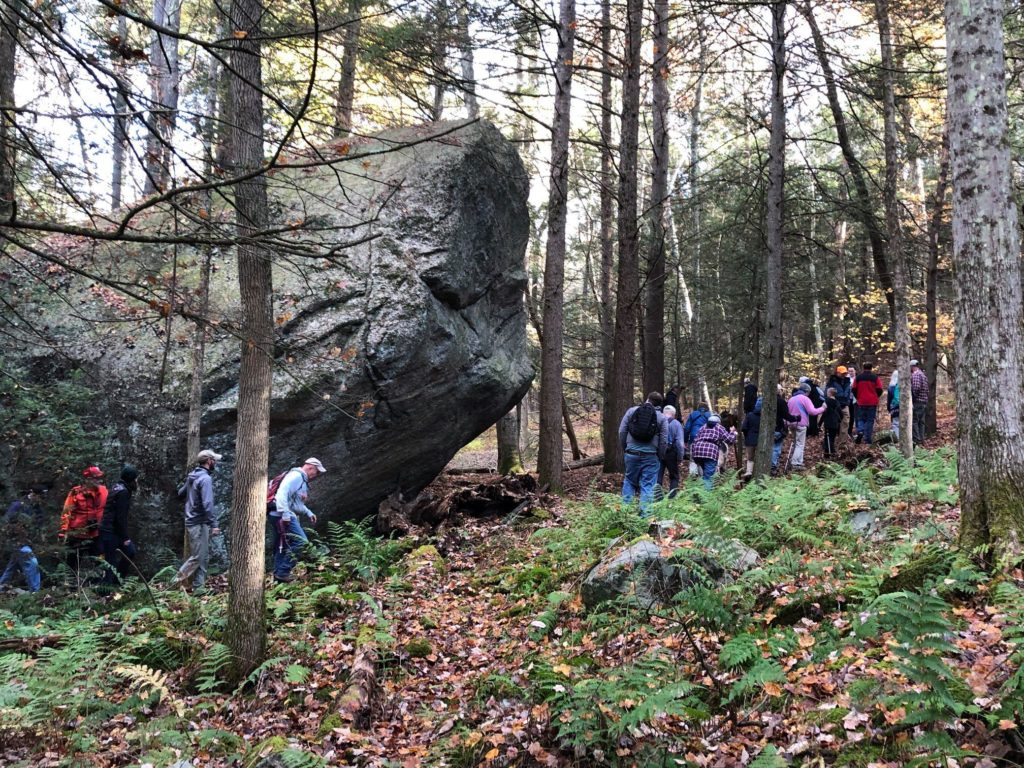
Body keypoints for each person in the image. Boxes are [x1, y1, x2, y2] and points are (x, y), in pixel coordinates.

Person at [270, 457, 327, 583]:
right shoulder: (296, 476)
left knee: (282, 544)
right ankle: (283, 571)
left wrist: (308, 512)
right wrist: (285, 514)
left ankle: (279, 574)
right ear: (311, 467)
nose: (316, 475)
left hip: (276, 513)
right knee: (301, 542)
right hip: (281, 514)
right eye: (316, 472)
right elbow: (281, 494)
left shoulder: (298, 478)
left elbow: (295, 503)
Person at [174, 449, 222, 590]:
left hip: (195, 521)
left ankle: (199, 588)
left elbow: (180, 493)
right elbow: (208, 504)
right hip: (198, 522)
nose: (215, 463)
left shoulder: (193, 476)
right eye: (214, 460)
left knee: (204, 556)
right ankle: (173, 583)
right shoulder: (205, 479)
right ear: (209, 461)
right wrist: (214, 524)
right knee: (196, 557)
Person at [619, 392, 668, 515]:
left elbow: (622, 431)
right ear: (660, 404)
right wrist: (660, 456)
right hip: (651, 456)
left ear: (647, 399)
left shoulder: (632, 411)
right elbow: (664, 441)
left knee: (629, 481)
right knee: (648, 485)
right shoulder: (662, 418)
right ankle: (644, 518)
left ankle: (626, 514)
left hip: (631, 453)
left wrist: (626, 447)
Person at [59, 466, 108, 574]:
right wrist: (63, 532)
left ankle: (99, 586)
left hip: (95, 534)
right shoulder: (75, 493)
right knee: (72, 563)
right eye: (96, 478)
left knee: (99, 561)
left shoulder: (103, 491)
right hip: (77, 535)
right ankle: (70, 586)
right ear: (88, 479)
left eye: (99, 478)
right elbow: (66, 513)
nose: (98, 480)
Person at [99, 465, 139, 584]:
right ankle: (108, 590)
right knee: (112, 562)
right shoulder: (123, 492)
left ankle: (116, 582)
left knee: (125, 554)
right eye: (136, 479)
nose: (137, 482)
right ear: (131, 479)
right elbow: (120, 517)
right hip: (111, 531)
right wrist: (125, 538)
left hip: (109, 530)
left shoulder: (117, 487)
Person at [690, 414, 737, 490]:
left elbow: (694, 441)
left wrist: (693, 456)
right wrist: (733, 433)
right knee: (709, 477)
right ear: (718, 422)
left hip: (697, 452)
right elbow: (730, 440)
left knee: (704, 474)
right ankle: (706, 498)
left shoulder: (703, 427)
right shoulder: (719, 427)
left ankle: (700, 492)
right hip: (710, 453)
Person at [787, 383, 826, 470]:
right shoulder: (805, 399)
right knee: (800, 444)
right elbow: (812, 412)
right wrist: (823, 408)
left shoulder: (791, 399)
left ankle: (798, 462)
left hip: (791, 424)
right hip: (801, 423)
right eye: (809, 392)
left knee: (796, 443)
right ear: (806, 391)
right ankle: (795, 463)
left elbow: (787, 412)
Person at [0, 523, 40, 592]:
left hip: (18, 544)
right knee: (32, 564)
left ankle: (2, 586)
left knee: (12, 566)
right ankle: (34, 591)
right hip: (21, 545)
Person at [852, 363, 884, 444]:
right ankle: (867, 439)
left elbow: (853, 388)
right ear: (871, 368)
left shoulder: (858, 378)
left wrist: (858, 397)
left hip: (861, 401)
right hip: (872, 402)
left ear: (863, 368)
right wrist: (876, 396)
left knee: (861, 418)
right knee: (870, 420)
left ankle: (860, 431)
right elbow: (880, 389)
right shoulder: (875, 378)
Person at [772, 385, 800, 474]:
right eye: (781, 390)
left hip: (763, 429)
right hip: (777, 428)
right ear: (779, 391)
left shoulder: (763, 400)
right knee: (776, 448)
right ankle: (772, 467)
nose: (781, 392)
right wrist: (795, 418)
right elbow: (786, 415)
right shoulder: (780, 401)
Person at [658, 406, 685, 497]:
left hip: (658, 451)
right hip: (671, 453)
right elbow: (679, 443)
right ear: (674, 414)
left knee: (658, 475)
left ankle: (657, 497)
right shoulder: (676, 424)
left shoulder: (658, 421)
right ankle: (671, 497)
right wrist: (680, 457)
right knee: (674, 476)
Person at [827, 366, 853, 438]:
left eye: (845, 373)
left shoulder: (847, 381)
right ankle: (831, 442)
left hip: (845, 406)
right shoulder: (832, 382)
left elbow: (848, 393)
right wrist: (832, 403)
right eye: (842, 373)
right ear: (837, 373)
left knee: (845, 424)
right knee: (834, 425)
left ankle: (842, 444)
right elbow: (827, 393)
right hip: (835, 406)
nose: (844, 375)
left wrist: (847, 402)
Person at [740, 398, 762, 478]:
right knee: (759, 457)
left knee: (750, 456)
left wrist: (747, 436)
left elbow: (744, 428)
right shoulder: (764, 418)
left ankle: (749, 471)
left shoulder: (749, 415)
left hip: (750, 440)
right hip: (760, 440)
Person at [910, 359, 928, 446]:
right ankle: (922, 439)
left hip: (918, 402)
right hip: (923, 401)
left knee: (915, 421)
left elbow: (916, 388)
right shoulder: (923, 375)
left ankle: (917, 440)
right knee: (921, 422)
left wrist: (912, 400)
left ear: (912, 366)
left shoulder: (916, 375)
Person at [822, 388, 842, 459]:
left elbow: (824, 413)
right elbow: (841, 414)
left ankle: (831, 452)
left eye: (827, 392)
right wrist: (839, 420)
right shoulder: (837, 402)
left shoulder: (826, 401)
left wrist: (820, 423)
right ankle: (827, 454)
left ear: (830, 393)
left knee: (827, 438)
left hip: (828, 422)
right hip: (835, 423)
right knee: (832, 438)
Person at [887, 371, 900, 438]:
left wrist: (888, 408)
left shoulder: (891, 386)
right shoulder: (904, 385)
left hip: (894, 406)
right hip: (903, 406)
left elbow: (889, 398)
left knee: (895, 423)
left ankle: (897, 438)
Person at [846, 366, 858, 437]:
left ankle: (851, 431)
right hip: (847, 400)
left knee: (853, 416)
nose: (850, 372)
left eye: (852, 371)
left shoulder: (857, 379)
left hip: (855, 400)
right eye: (849, 371)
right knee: (846, 416)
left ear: (855, 371)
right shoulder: (846, 379)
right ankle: (845, 431)